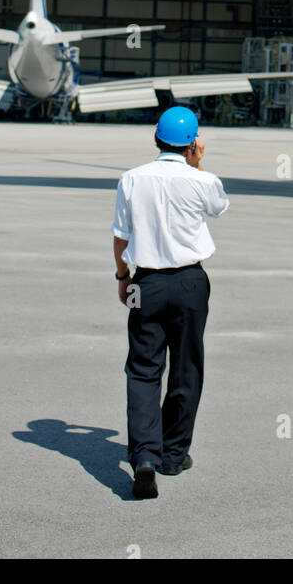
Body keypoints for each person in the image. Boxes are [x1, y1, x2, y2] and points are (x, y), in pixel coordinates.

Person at [112, 106, 229, 500]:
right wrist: (197, 165)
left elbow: (121, 236)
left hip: (145, 282)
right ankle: (174, 454)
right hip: (190, 282)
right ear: (193, 144)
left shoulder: (131, 179)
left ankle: (145, 458)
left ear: (156, 138)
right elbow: (218, 207)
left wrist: (123, 277)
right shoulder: (204, 180)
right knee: (186, 366)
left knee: (143, 368)